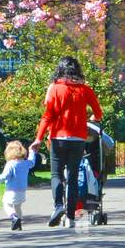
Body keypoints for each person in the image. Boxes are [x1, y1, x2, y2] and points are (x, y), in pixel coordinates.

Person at [32, 56, 103, 228]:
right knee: (72, 177)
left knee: (56, 174)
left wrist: (38, 138)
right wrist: (92, 118)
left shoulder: (56, 89)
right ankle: (70, 217)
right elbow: (98, 113)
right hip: (78, 139)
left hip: (58, 137)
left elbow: (48, 115)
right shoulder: (86, 90)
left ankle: (58, 206)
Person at [0, 139, 37, 231]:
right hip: (22, 191)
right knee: (17, 206)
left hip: (11, 190)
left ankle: (14, 217)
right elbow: (32, 162)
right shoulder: (25, 163)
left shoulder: (10, 164)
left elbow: (6, 176)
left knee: (6, 204)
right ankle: (18, 223)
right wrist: (32, 152)